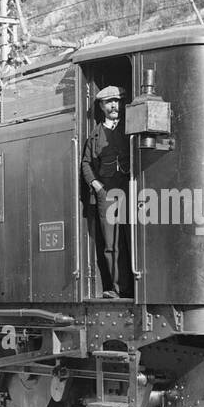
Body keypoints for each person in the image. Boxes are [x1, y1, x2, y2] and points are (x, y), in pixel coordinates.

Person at [80, 84, 132, 298]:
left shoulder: (130, 128)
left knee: (132, 237)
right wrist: (97, 186)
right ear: (101, 106)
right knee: (111, 243)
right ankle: (119, 289)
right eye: (109, 102)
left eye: (117, 101)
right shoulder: (94, 135)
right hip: (106, 194)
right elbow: (85, 164)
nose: (114, 105)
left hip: (130, 189)